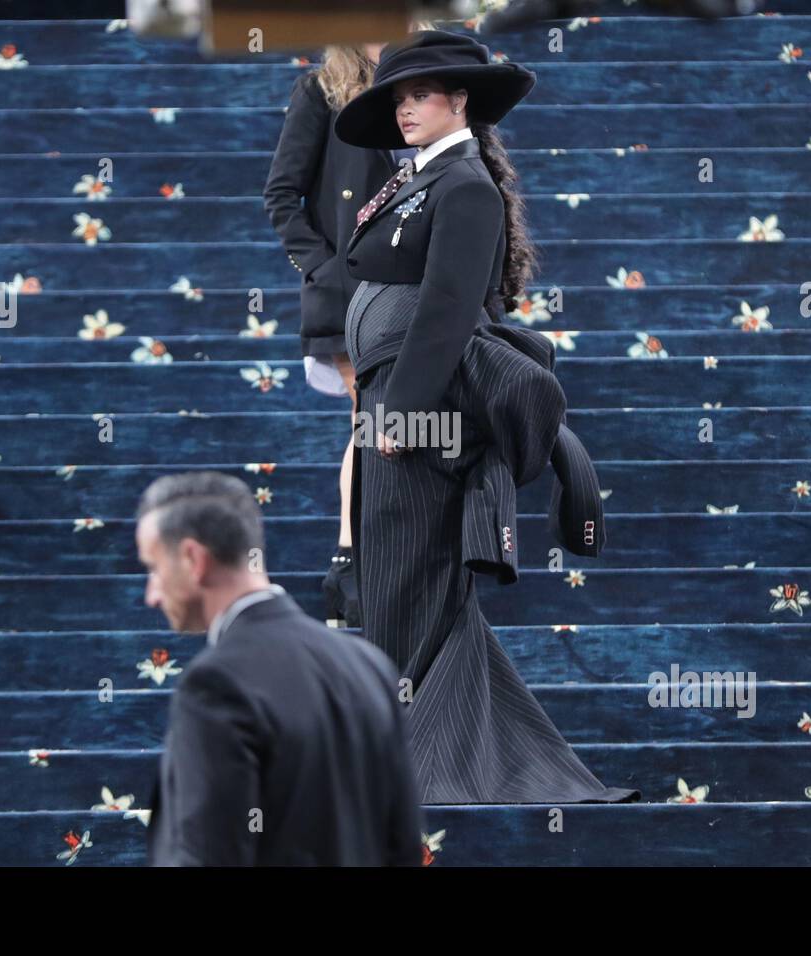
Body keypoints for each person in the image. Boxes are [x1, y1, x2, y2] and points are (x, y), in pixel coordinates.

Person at [334, 30, 639, 804]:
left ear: (459, 100)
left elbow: (447, 311)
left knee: (409, 581)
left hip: (421, 411)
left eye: (419, 95)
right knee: (396, 581)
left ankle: (415, 766)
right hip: (391, 403)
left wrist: (400, 411)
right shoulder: (423, 180)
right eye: (397, 97)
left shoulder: (464, 185)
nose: (404, 109)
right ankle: (435, 759)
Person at [136, 471, 423, 865]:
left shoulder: (216, 684)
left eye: (154, 568)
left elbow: (209, 855)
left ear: (193, 559)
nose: (151, 594)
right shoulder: (370, 665)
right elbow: (404, 845)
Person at [264, 31, 432, 629]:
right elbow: (281, 195)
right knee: (376, 417)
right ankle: (354, 560)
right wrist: (324, 268)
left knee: (399, 421)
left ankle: (372, 560)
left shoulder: (428, 86)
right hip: (351, 295)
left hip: (426, 288)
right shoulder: (320, 90)